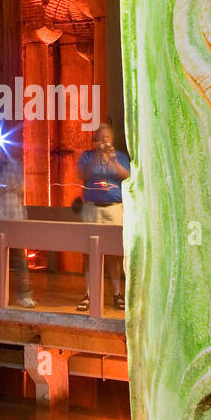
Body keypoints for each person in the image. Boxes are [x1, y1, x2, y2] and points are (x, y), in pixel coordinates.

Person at [76, 123, 129, 312]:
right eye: (100, 138)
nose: (104, 141)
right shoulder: (87, 156)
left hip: (114, 208)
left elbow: (127, 176)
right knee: (89, 252)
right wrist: (98, 156)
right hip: (92, 209)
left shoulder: (121, 156)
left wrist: (112, 159)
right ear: (94, 140)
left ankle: (117, 294)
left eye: (107, 137)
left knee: (114, 253)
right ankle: (89, 294)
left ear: (112, 140)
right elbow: (82, 174)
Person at [0, 150, 36, 308]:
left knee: (19, 259)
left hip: (15, 218)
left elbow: (23, 188)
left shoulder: (16, 166)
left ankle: (24, 295)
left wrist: (12, 186)